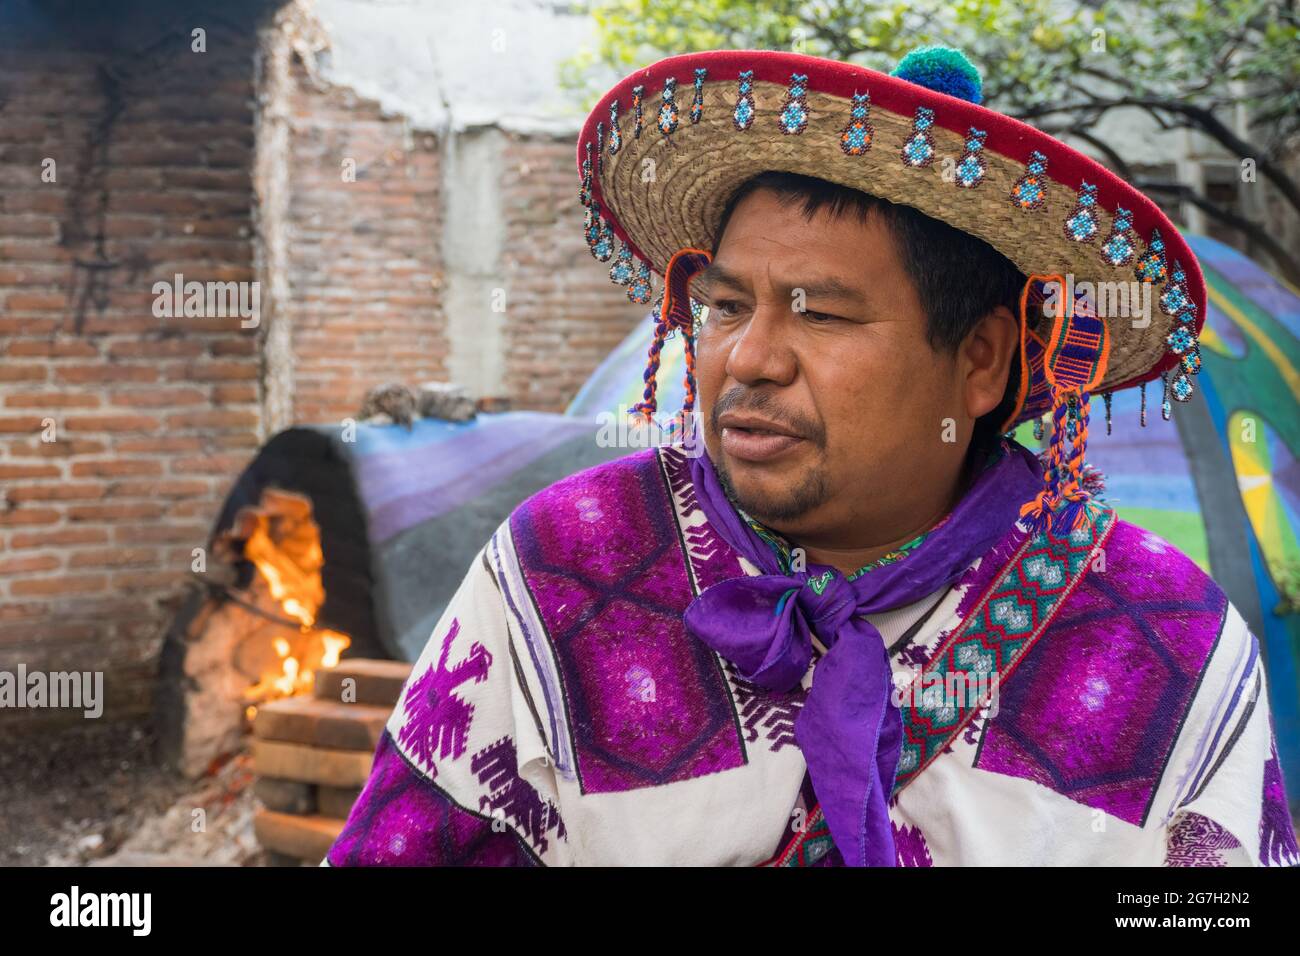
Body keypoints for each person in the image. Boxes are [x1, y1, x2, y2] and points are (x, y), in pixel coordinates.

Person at [324, 47, 1297, 866]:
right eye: (726, 305)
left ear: (981, 360)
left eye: (822, 313)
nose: (749, 358)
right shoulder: (564, 565)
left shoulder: (1160, 637)